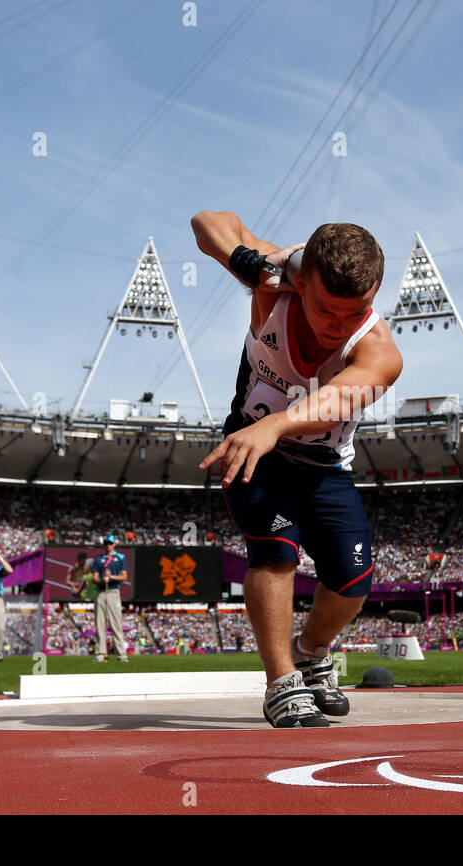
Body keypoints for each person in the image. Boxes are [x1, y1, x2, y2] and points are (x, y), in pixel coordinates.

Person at [191, 210, 403, 728]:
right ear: (302, 285)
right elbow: (207, 222)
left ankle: (310, 652)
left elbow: (335, 400)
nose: (339, 327)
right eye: (328, 311)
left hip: (324, 466)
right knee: (275, 553)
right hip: (254, 453)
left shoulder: (379, 351)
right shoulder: (273, 286)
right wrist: (250, 262)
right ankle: (280, 682)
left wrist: (277, 424)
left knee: (353, 581)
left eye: (356, 312)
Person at [91, 535, 129, 663]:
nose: (108, 545)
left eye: (110, 543)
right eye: (106, 543)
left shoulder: (121, 558)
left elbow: (124, 577)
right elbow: (94, 577)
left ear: (114, 544)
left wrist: (111, 577)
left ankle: (121, 655)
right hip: (101, 592)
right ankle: (100, 654)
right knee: (100, 623)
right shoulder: (98, 559)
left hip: (113, 592)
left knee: (116, 623)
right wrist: (101, 580)